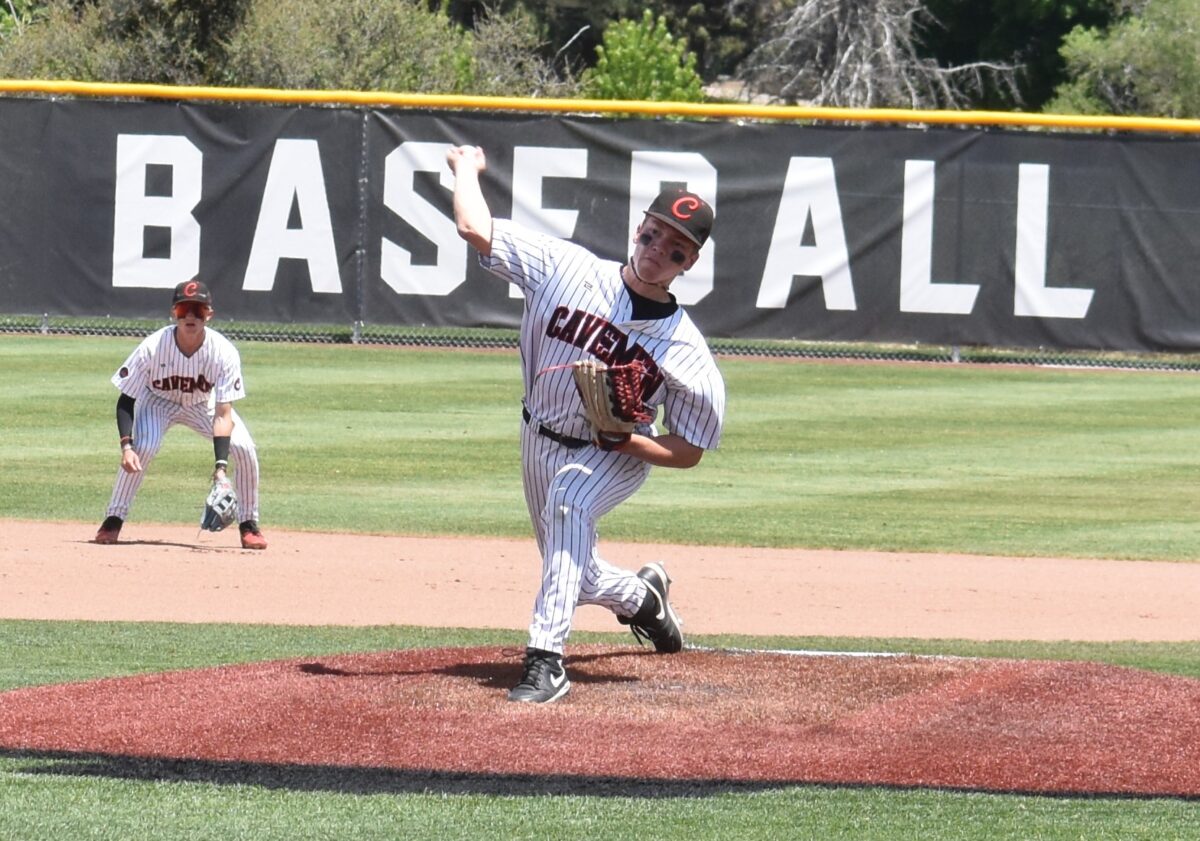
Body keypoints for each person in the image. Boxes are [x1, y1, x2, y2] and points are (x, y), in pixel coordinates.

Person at [446, 144, 726, 703]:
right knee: (571, 565)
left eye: (676, 249)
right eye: (654, 234)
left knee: (572, 501)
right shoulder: (565, 267)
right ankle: (644, 599)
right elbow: (473, 226)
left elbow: (691, 447)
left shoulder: (687, 351)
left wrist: (629, 441)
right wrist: (467, 171)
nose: (658, 251)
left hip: (614, 458)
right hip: (537, 437)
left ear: (688, 264)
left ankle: (546, 661)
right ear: (638, 228)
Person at [93, 279, 267, 550]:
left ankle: (249, 525)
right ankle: (113, 519)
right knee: (145, 448)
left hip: (202, 404)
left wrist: (221, 470)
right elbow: (127, 398)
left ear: (209, 314)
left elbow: (223, 414)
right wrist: (127, 446)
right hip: (158, 402)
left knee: (244, 448)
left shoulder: (224, 352)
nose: (190, 316)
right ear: (173, 312)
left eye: (198, 309)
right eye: (183, 309)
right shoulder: (153, 347)